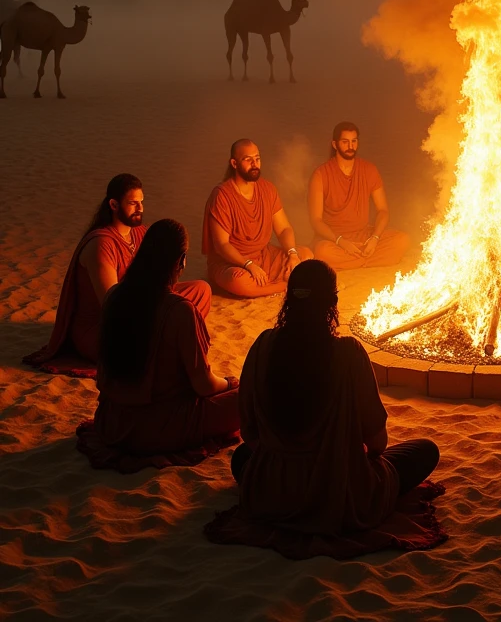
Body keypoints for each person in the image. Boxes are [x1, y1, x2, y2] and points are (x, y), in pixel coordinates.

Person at [228, 260, 440, 535]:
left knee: (242, 458)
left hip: (273, 493)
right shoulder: (348, 353)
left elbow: (250, 434)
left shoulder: (263, 346)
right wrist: (344, 452)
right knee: (425, 451)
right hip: (338, 490)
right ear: (332, 302)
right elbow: (377, 444)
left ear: (288, 299)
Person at [23, 173, 211, 373]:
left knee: (201, 290)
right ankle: (168, 342)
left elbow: (156, 280)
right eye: (132, 203)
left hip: (140, 311)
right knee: (145, 335)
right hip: (105, 329)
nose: (140, 208)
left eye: (141, 202)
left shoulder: (140, 233)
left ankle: (166, 340)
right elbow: (112, 305)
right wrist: (158, 304)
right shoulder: (101, 244)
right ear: (113, 205)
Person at [89, 219, 240, 456]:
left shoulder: (114, 296)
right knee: (248, 397)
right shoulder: (179, 310)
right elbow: (203, 385)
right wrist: (231, 383)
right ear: (181, 261)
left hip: (111, 422)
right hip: (160, 428)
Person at [202, 139, 313, 298]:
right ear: (234, 163)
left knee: (306, 255)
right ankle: (286, 285)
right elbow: (222, 245)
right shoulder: (222, 195)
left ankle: (274, 285)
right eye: (248, 159)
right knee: (238, 281)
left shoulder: (267, 189)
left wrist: (292, 254)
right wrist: (248, 265)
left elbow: (283, 229)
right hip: (232, 263)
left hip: (263, 256)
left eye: (257, 158)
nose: (254, 163)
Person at [307, 121, 410, 272]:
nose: (350, 146)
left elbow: (383, 210)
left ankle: (353, 262)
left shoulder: (369, 170)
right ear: (335, 145)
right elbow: (316, 221)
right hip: (334, 240)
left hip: (364, 237)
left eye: (354, 141)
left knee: (402, 240)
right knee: (322, 252)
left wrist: (374, 238)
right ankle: (369, 261)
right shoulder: (321, 174)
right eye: (345, 142)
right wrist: (341, 241)